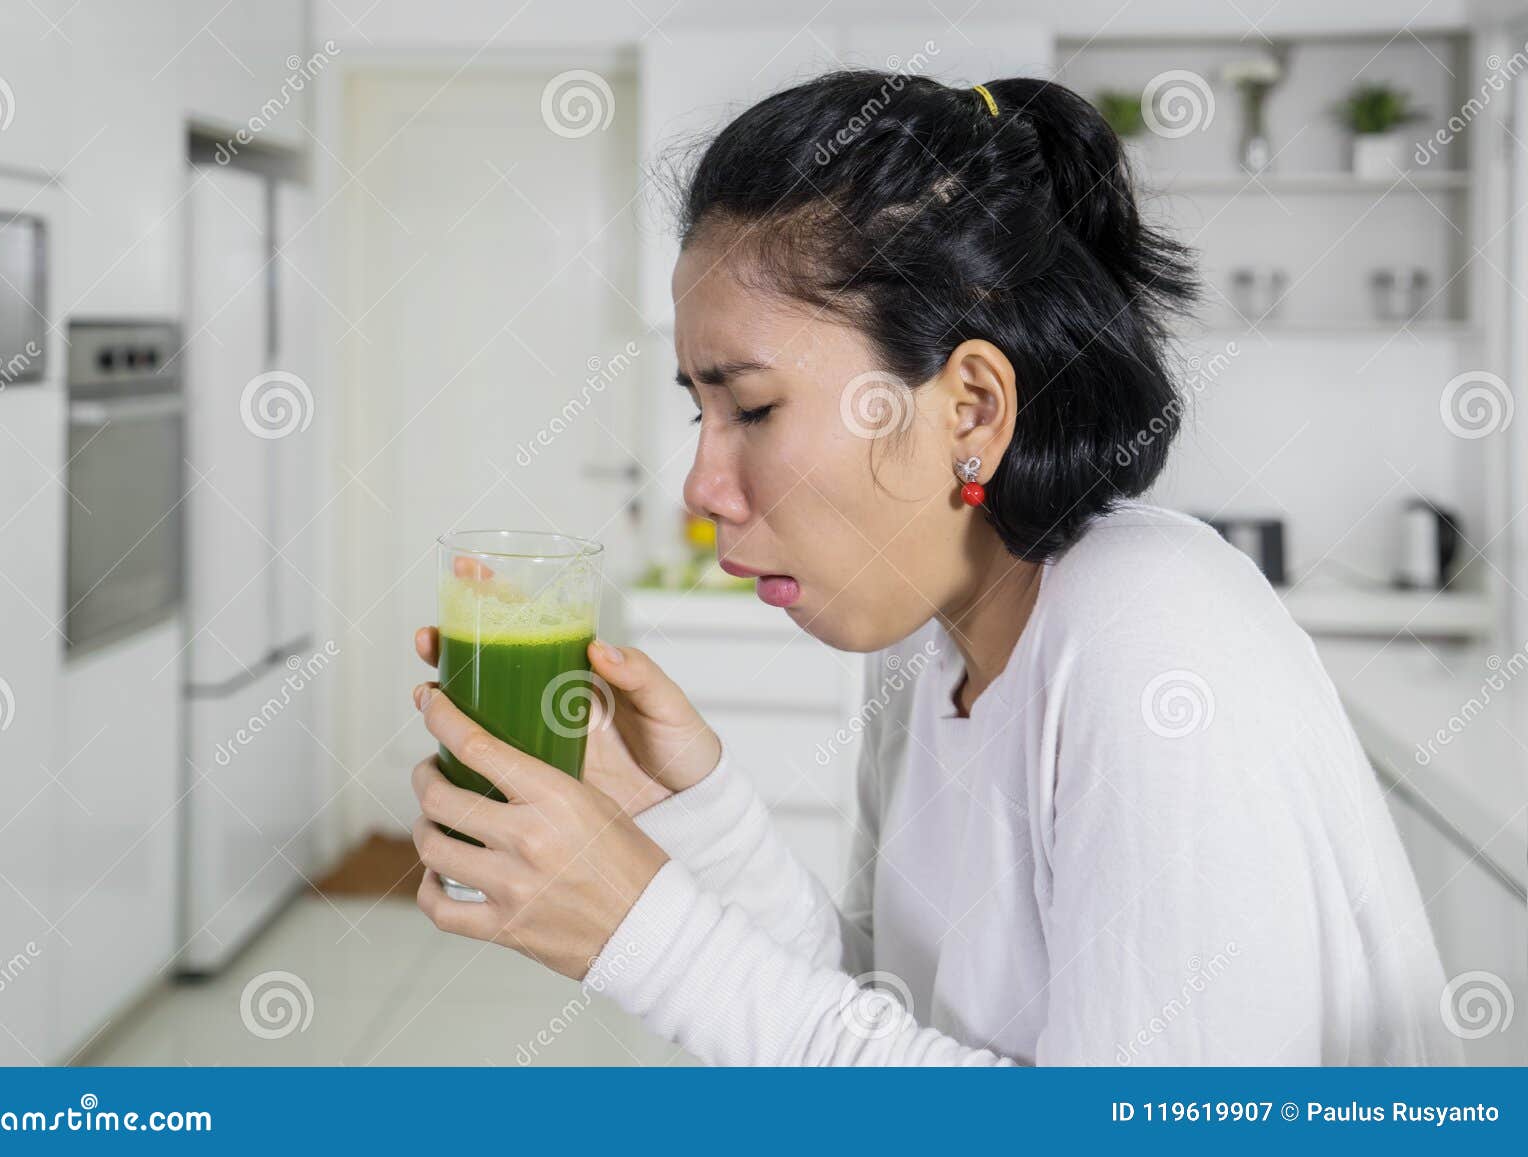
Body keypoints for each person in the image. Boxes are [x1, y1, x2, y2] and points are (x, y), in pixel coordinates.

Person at [408, 73, 1456, 1065]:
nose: (701, 486)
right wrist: (694, 817)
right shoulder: (926, 644)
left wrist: (649, 936)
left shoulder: (1154, 631)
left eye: (754, 408)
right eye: (701, 411)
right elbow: (897, 1012)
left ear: (971, 409)